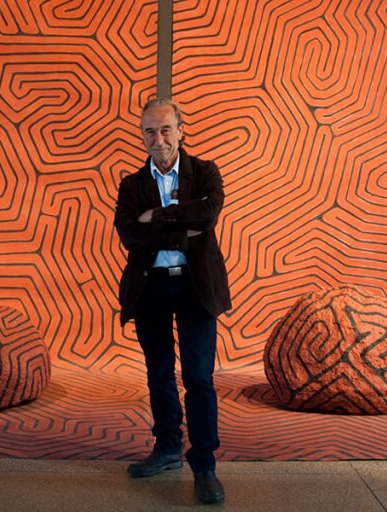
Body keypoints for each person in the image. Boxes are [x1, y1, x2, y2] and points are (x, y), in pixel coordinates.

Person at [114, 98, 232, 505]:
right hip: (151, 288)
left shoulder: (205, 172)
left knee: (199, 377)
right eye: (150, 131)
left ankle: (204, 466)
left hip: (196, 288)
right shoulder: (131, 185)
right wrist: (184, 228)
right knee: (159, 372)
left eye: (166, 130)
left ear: (181, 130)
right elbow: (130, 235)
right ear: (142, 136)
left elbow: (208, 213)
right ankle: (167, 449)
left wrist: (159, 217)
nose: (158, 139)